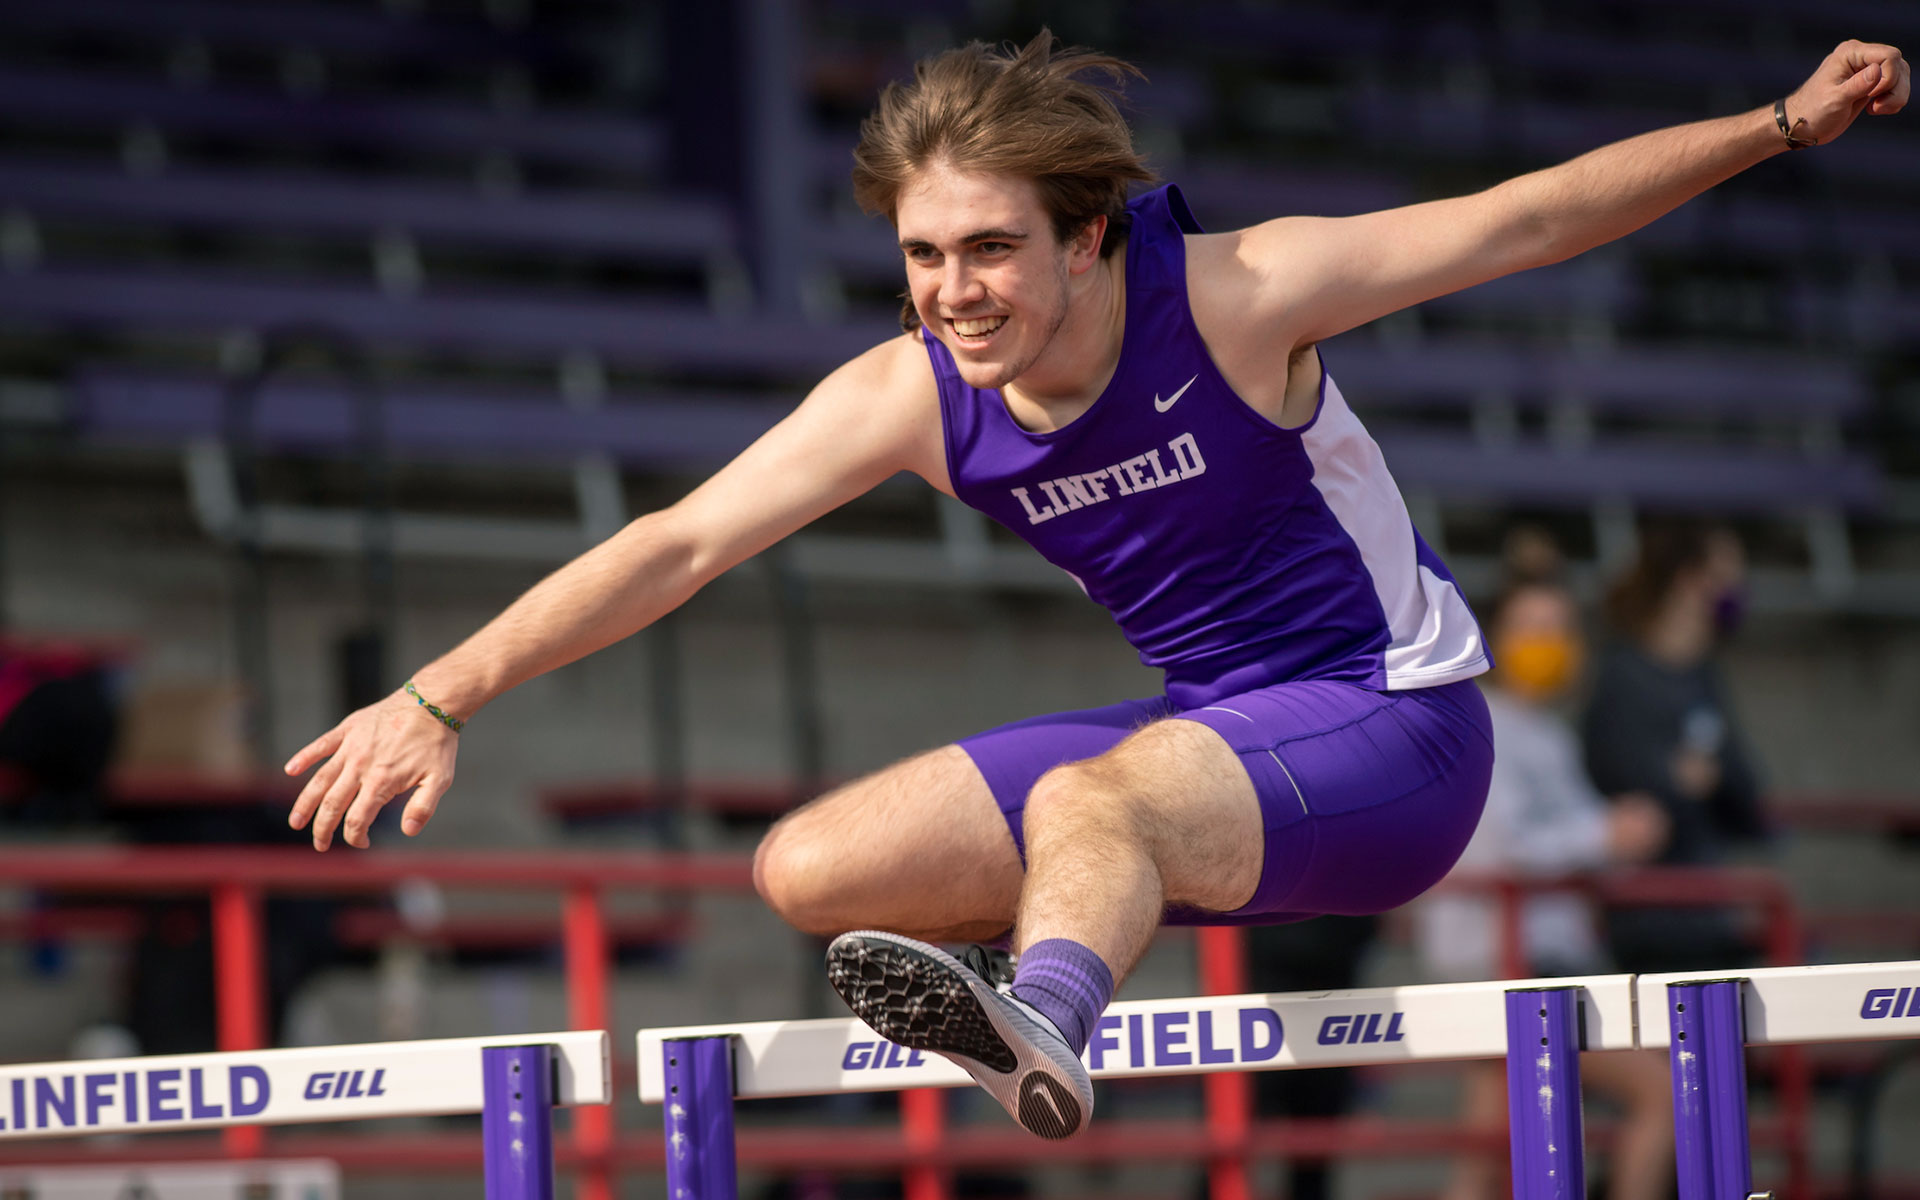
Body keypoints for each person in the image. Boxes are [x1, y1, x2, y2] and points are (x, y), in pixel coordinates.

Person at [283, 32, 1907, 1139]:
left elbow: (1527, 221)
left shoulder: (1239, 296)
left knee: (1095, 801)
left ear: (1086, 239)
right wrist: (443, 694)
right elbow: (678, 543)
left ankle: (1045, 1017)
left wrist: (1779, 127)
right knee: (809, 868)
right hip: (1213, 737)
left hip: (1396, 733)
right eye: (922, 258)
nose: (953, 293)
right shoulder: (918, 389)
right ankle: (1048, 961)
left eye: (988, 251)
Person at [1414, 569, 1672, 1200]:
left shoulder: (1549, 733)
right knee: (1665, 1097)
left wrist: (1619, 838)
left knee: (1487, 1157)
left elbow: (1587, 843)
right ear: (1495, 636)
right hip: (1509, 968)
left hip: (1538, 965)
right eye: (1533, 627)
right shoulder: (1479, 723)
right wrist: (1606, 835)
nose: (1549, 641)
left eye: (1559, 628)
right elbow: (1504, 851)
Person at [1584, 521, 1771, 974]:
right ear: (1691, 580)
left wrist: (1710, 780)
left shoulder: (1704, 676)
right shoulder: (1623, 676)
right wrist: (1682, 781)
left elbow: (1749, 801)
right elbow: (1628, 790)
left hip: (1707, 909)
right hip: (1647, 916)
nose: (1738, 590)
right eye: (1729, 576)